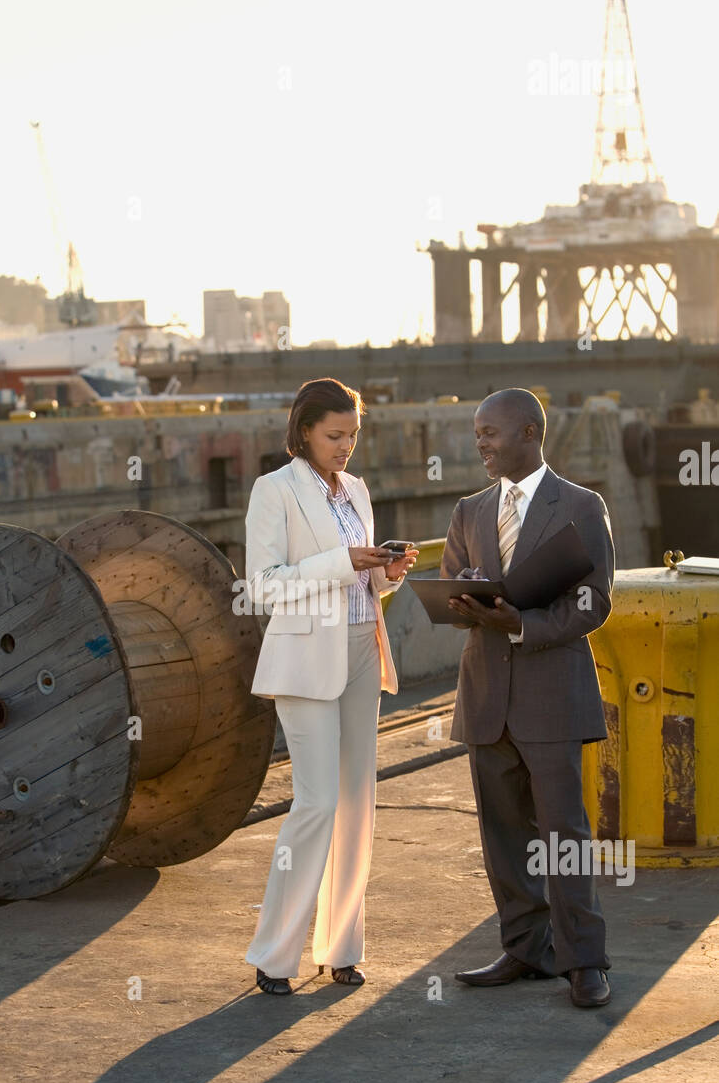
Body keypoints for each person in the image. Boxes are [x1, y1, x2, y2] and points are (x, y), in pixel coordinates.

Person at [440, 387, 615, 1009]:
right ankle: (525, 949)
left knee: (563, 833)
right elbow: (459, 582)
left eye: (491, 431)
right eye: (478, 432)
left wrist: (520, 624)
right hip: (487, 696)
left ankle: (585, 961)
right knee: (504, 834)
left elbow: (592, 603)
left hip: (552, 697)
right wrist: (464, 604)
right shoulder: (468, 511)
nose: (480, 443)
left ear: (530, 433)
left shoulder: (582, 506)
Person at [243, 378, 419, 995]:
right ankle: (273, 954)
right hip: (304, 661)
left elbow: (358, 582)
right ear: (305, 432)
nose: (346, 446)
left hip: (361, 650)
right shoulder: (275, 490)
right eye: (334, 435)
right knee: (316, 803)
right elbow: (262, 585)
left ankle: (341, 947)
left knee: (356, 805)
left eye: (353, 435)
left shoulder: (358, 492)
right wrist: (346, 561)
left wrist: (386, 573)